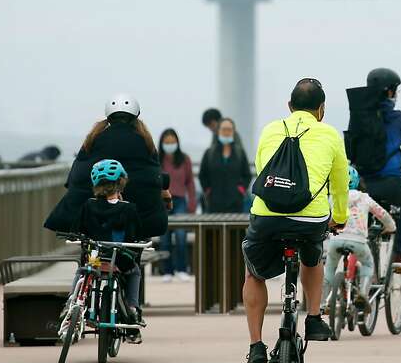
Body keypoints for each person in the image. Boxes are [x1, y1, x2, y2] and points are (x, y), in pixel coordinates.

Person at [241, 78, 350, 363]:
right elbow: (340, 184)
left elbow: (263, 170)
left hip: (267, 216)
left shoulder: (271, 129)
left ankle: (255, 346)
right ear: (321, 109)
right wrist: (338, 217)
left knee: (254, 273)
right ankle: (314, 318)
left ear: (289, 107)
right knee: (312, 259)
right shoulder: (329, 135)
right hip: (310, 219)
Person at [44, 94, 170, 241]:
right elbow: (154, 175)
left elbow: (74, 176)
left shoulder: (94, 138)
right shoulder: (145, 141)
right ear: (136, 117)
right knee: (132, 250)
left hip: (92, 217)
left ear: (108, 116)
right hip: (139, 220)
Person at [357, 67, 401, 272]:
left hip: (363, 184)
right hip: (390, 183)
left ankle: (356, 265)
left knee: (364, 218)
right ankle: (400, 254)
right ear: (389, 92)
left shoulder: (359, 117)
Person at [79, 159, 144, 342]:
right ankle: (132, 307)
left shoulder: (89, 205)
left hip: (96, 259)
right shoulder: (128, 208)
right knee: (135, 272)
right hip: (119, 259)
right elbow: (135, 235)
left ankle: (72, 302)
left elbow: (81, 231)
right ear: (121, 182)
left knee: (83, 270)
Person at [323, 166, 395, 308]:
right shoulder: (364, 198)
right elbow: (382, 214)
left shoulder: (332, 197)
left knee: (330, 268)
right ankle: (362, 293)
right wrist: (391, 226)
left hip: (336, 240)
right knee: (368, 264)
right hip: (358, 241)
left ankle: (324, 302)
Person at [158, 128, 196, 282]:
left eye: (172, 141)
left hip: (180, 201)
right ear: (162, 143)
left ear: (177, 142)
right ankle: (167, 271)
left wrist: (192, 201)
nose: (169, 144)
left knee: (181, 235)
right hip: (162, 202)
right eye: (167, 141)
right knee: (165, 237)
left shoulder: (184, 159)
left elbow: (190, 182)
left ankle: (182, 268)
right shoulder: (157, 159)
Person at [199, 118, 252, 214]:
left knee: (235, 228)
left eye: (229, 129)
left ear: (233, 132)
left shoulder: (240, 152)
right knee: (213, 227)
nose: (226, 132)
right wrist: (207, 190)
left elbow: (247, 175)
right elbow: (202, 174)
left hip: (235, 203)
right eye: (223, 129)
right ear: (218, 131)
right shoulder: (209, 153)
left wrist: (241, 190)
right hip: (214, 202)